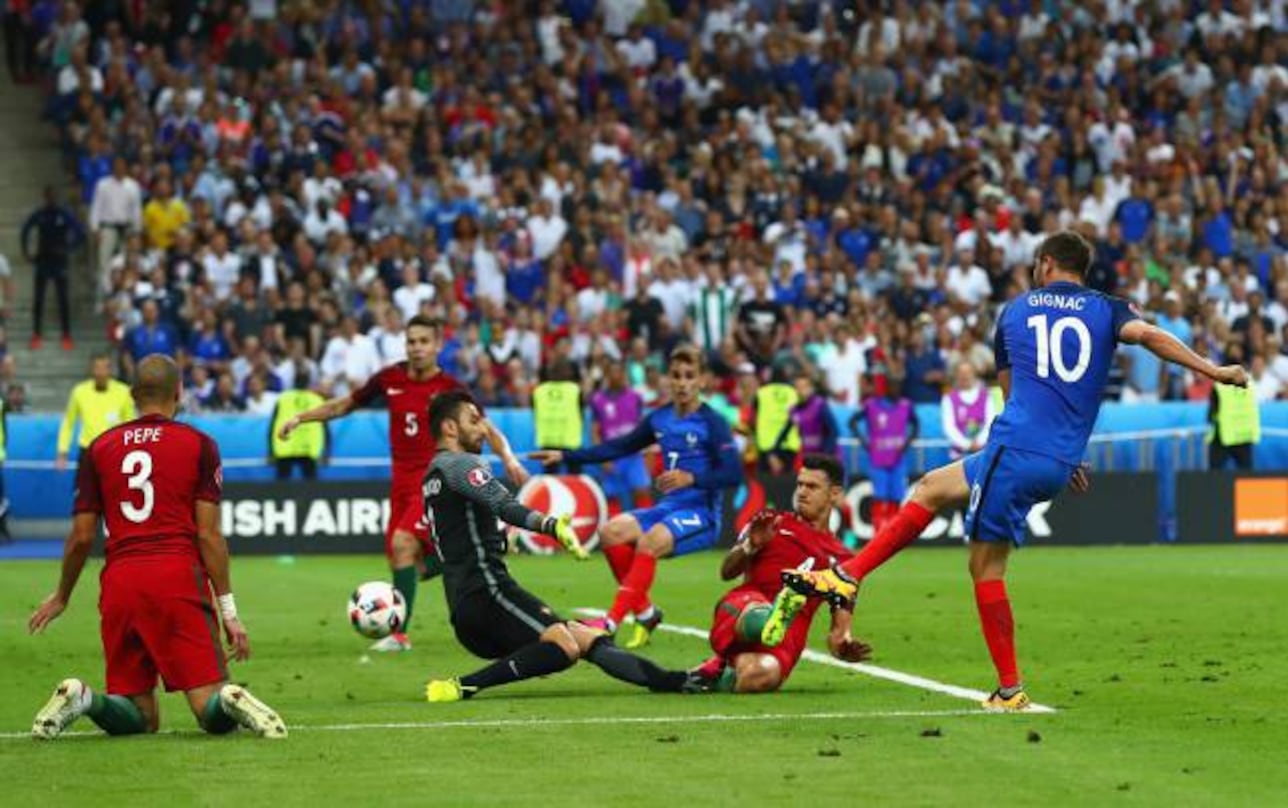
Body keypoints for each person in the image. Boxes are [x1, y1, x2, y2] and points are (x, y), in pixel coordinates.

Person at [773, 231, 1248, 711]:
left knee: (985, 567)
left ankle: (1008, 688)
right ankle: (851, 573)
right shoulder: (1110, 308)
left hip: (1014, 448)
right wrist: (1213, 370)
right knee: (931, 487)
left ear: (1046, 263)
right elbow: (1149, 336)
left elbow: (1012, 392)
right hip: (1056, 460)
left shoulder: (1016, 310)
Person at [27, 354, 285, 739]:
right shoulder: (199, 444)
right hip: (176, 577)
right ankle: (229, 698)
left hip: (121, 583)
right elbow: (208, 535)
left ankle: (84, 698)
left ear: (132, 395)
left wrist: (63, 595)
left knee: (140, 718)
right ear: (179, 392)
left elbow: (81, 536)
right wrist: (229, 612)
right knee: (209, 707)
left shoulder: (99, 448)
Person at [422, 391, 695, 702]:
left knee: (587, 637)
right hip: (487, 594)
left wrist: (500, 537)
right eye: (473, 421)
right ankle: (462, 686)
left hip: (469, 604)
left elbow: (460, 534)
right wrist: (551, 525)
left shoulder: (436, 474)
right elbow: (504, 504)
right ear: (450, 428)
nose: (483, 429)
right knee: (564, 646)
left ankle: (675, 680)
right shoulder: (461, 465)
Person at [278, 315, 528, 653]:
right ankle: (492, 541)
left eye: (424, 341)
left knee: (402, 543)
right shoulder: (390, 378)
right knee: (412, 565)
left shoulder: (451, 389)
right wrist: (300, 418)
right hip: (401, 484)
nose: (417, 348)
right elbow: (345, 404)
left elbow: (484, 427)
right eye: (411, 341)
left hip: (435, 480)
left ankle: (398, 636)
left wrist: (509, 459)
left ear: (437, 345)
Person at [531, 345, 742, 649]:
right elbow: (619, 446)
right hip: (668, 507)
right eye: (676, 376)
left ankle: (610, 623)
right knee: (610, 532)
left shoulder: (713, 422)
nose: (682, 383)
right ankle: (645, 613)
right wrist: (565, 455)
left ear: (702, 381)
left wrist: (692, 478)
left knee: (648, 541)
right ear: (668, 379)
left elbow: (733, 472)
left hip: (702, 514)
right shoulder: (660, 418)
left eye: (689, 376)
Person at [691, 454, 870, 693]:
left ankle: (717, 673)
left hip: (786, 639)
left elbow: (838, 633)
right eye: (800, 485)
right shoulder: (770, 523)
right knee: (758, 610)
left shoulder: (845, 561)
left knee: (758, 676)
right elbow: (727, 571)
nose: (802, 492)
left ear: (834, 493)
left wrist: (843, 646)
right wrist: (750, 546)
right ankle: (770, 617)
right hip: (742, 611)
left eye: (812, 487)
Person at [850, 375, 918, 534]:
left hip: (898, 459)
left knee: (896, 497)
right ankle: (878, 532)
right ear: (886, 388)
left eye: (898, 386)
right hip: (878, 459)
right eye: (893, 386)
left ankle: (892, 533)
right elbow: (852, 421)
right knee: (880, 496)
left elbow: (916, 424)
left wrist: (907, 443)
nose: (896, 389)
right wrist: (865, 442)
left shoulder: (905, 405)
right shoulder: (871, 405)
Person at [22, 186, 86, 351]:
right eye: (48, 196)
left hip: (59, 262)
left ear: (56, 197)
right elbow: (25, 230)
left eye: (53, 196)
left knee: (63, 300)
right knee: (38, 300)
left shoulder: (64, 214)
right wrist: (26, 252)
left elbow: (81, 233)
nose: (51, 199)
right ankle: (36, 334)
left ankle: (66, 335)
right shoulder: (40, 214)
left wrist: (68, 248)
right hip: (42, 261)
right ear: (45, 197)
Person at [589, 359, 650, 510]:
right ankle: (615, 524)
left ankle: (644, 524)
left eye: (620, 372)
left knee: (642, 491)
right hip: (612, 455)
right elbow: (595, 432)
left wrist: (647, 453)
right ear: (607, 375)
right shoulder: (598, 400)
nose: (617, 376)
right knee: (612, 496)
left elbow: (643, 427)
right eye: (613, 372)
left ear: (624, 374)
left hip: (633, 454)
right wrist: (602, 458)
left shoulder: (635, 397)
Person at [56, 354, 134, 471]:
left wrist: (131, 450)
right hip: (87, 451)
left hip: (113, 452)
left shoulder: (123, 392)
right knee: (84, 483)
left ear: (110, 370)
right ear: (91, 370)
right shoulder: (80, 392)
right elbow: (68, 423)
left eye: (105, 368)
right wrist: (62, 451)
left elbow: (130, 424)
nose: (101, 372)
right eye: (97, 368)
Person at [770, 371, 839, 472]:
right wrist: (773, 453)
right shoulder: (794, 410)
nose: (801, 390)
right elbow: (784, 432)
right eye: (798, 387)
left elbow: (833, 431)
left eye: (804, 387)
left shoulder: (820, 405)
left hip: (826, 458)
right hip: (808, 458)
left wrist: (825, 456)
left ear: (811, 388)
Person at [269, 376, 326, 480]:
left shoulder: (283, 398)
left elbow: (272, 425)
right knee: (311, 483)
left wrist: (270, 450)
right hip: (308, 447)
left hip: (286, 445)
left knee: (282, 482)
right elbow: (325, 428)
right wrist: (326, 451)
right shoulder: (316, 399)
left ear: (293, 382)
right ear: (309, 383)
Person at [942, 362, 998, 459]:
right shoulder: (948, 399)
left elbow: (991, 422)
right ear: (956, 376)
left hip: (983, 453)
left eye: (968, 372)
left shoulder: (986, 396)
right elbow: (949, 427)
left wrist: (980, 442)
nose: (965, 376)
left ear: (974, 375)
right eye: (961, 373)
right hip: (958, 455)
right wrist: (967, 445)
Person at [1208, 375, 1259, 470]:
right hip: (1244, 435)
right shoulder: (1250, 386)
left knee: (1214, 475)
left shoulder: (1219, 387)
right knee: (1247, 476)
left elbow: (1210, 416)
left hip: (1223, 436)